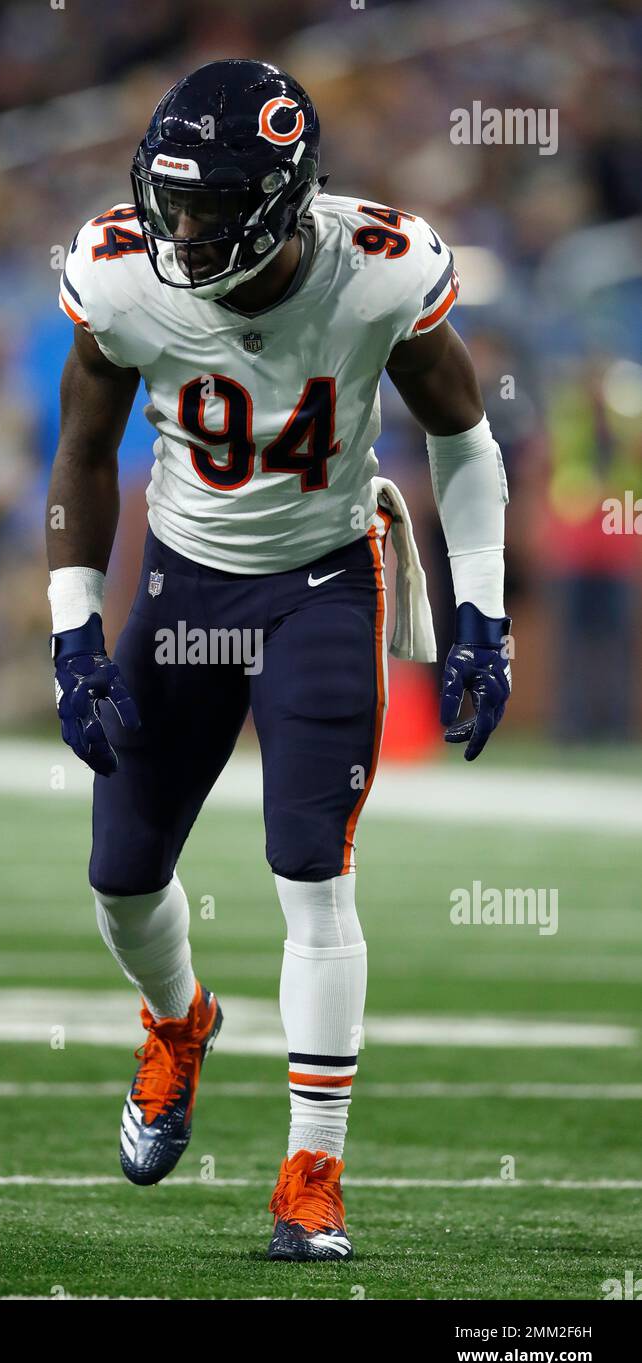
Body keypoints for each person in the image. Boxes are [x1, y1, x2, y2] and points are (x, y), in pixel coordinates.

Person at [45, 60, 511, 1261]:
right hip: (183, 578)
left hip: (318, 581)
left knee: (311, 868)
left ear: (279, 197)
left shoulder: (374, 270)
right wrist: (71, 625)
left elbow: (461, 439)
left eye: (206, 210)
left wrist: (484, 614)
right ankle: (178, 1021)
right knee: (120, 874)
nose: (177, 231)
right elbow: (83, 450)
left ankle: (312, 1171)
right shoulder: (118, 275)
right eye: (169, 201)